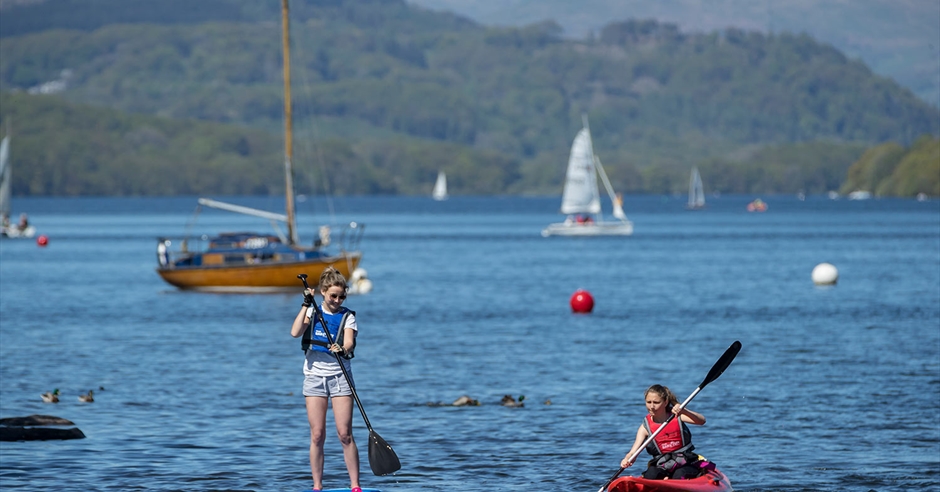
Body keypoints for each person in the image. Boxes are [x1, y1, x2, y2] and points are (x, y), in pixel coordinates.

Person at [290, 267, 361, 492]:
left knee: (344, 434)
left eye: (342, 296)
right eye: (333, 296)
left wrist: (341, 347)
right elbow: (294, 332)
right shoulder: (312, 311)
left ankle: (355, 486)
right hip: (314, 377)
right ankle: (317, 486)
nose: (338, 300)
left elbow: (349, 342)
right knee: (318, 434)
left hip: (341, 376)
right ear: (323, 292)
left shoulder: (347, 316)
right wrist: (305, 304)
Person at [620, 384, 707, 480]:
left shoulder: (677, 416)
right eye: (648, 402)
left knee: (679, 474)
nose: (651, 406)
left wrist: (684, 411)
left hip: (685, 462)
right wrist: (627, 459)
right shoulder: (645, 427)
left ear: (665, 402)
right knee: (651, 474)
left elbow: (701, 421)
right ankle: (664, 480)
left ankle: (672, 481)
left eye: (656, 402)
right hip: (663, 465)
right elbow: (633, 452)